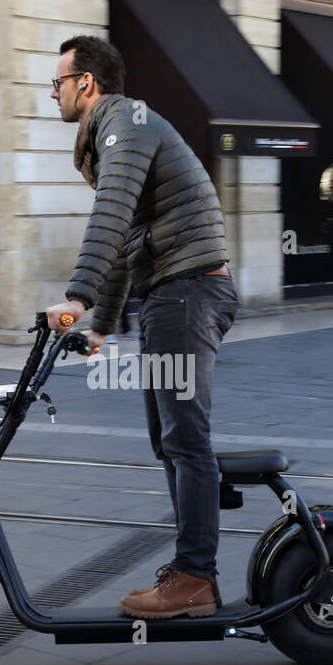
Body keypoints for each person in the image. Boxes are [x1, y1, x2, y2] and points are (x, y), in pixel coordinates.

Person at [44, 35, 238, 620]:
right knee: (169, 440)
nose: (53, 92)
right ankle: (192, 563)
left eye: (58, 81)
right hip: (171, 293)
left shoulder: (123, 120)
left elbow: (111, 215)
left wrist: (77, 299)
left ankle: (195, 578)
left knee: (184, 438)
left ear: (86, 83)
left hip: (187, 292)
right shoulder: (114, 130)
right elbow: (131, 238)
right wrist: (101, 323)